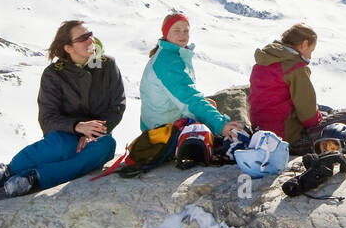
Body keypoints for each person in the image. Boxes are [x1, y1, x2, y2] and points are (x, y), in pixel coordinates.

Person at [0, 20, 123, 196]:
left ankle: (34, 178)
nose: (91, 40)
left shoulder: (107, 65)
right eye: (83, 38)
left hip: (97, 135)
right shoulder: (54, 73)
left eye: (90, 34)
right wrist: (78, 126)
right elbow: (48, 117)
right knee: (63, 145)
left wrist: (93, 131)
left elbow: (117, 105)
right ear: (68, 48)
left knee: (106, 146)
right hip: (64, 133)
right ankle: (8, 171)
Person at [139, 13, 247, 139]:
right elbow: (188, 98)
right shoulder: (166, 62)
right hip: (162, 131)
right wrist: (220, 124)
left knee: (211, 108)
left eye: (186, 31)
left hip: (160, 124)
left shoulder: (171, 55)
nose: (182, 34)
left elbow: (178, 94)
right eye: (177, 30)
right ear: (165, 33)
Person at [249, 23, 324, 153]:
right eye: (311, 51)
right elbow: (309, 117)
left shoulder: (263, 61)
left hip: (260, 136)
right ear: (304, 44)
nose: (310, 57)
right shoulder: (296, 67)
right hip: (287, 140)